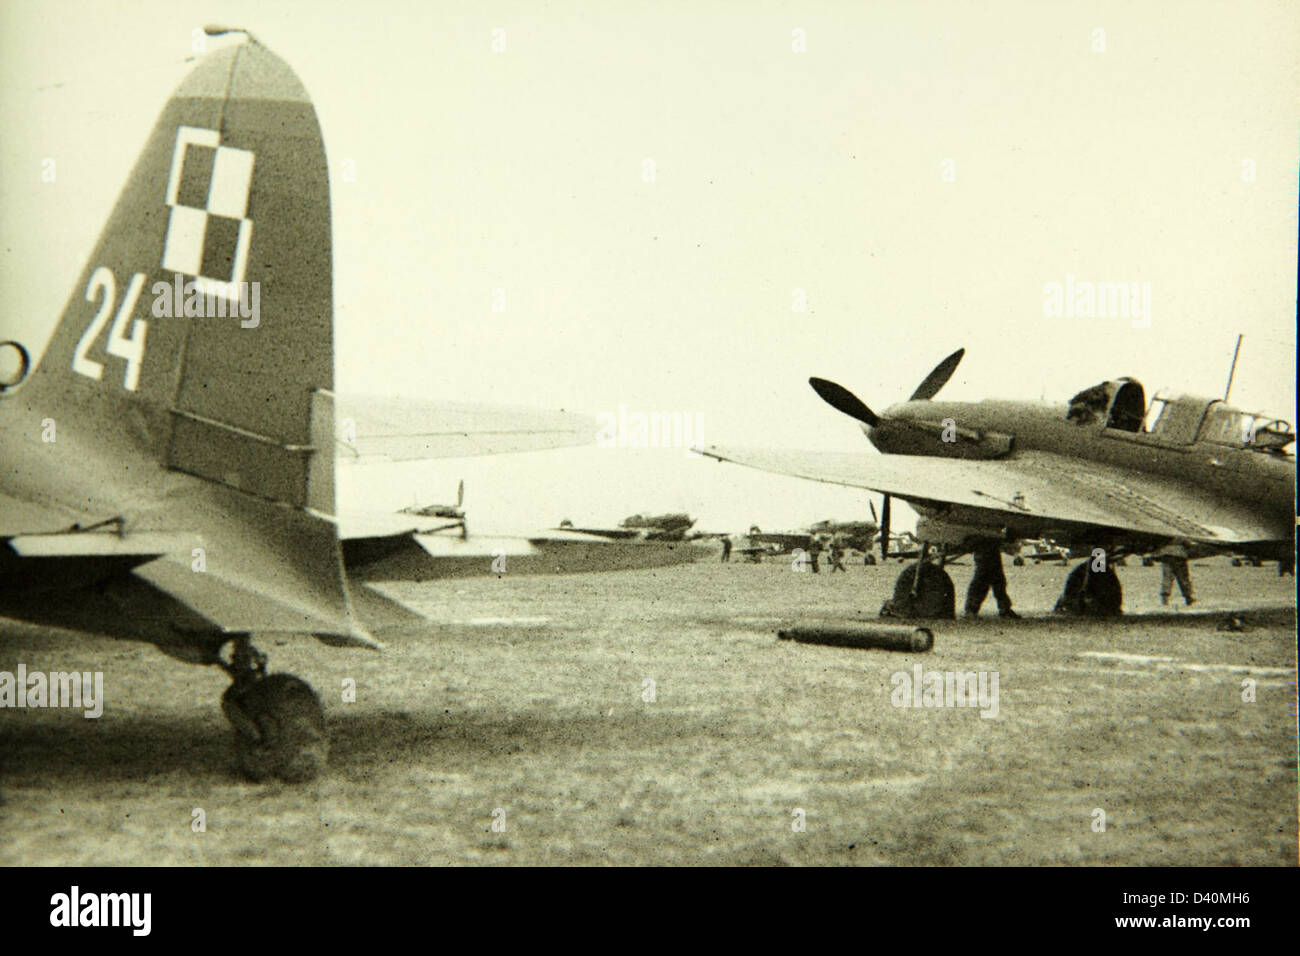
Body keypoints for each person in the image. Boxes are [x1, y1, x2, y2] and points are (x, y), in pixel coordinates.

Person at [965, 541, 1019, 618]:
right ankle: (971, 609)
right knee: (983, 578)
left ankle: (1004, 608)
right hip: (984, 544)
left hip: (989, 545)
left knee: (997, 579)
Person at [1155, 540, 1194, 606]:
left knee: (1167, 577)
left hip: (1166, 554)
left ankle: (1164, 598)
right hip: (1179, 555)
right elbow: (1187, 543)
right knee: (1183, 577)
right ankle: (1188, 597)